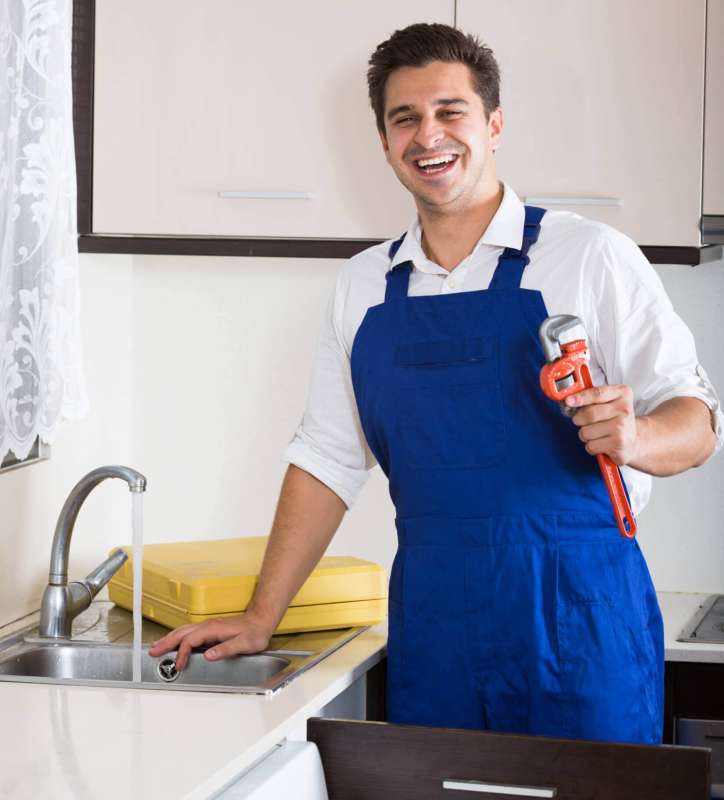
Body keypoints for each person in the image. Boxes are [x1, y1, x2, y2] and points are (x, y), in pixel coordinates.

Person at [150, 23, 721, 744]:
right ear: (384, 141)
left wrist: (636, 435)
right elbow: (327, 459)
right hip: (437, 627)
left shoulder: (588, 257)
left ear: (494, 123)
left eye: (451, 112)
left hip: (581, 621)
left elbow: (697, 422)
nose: (429, 136)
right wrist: (263, 614)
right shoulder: (362, 286)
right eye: (405, 118)